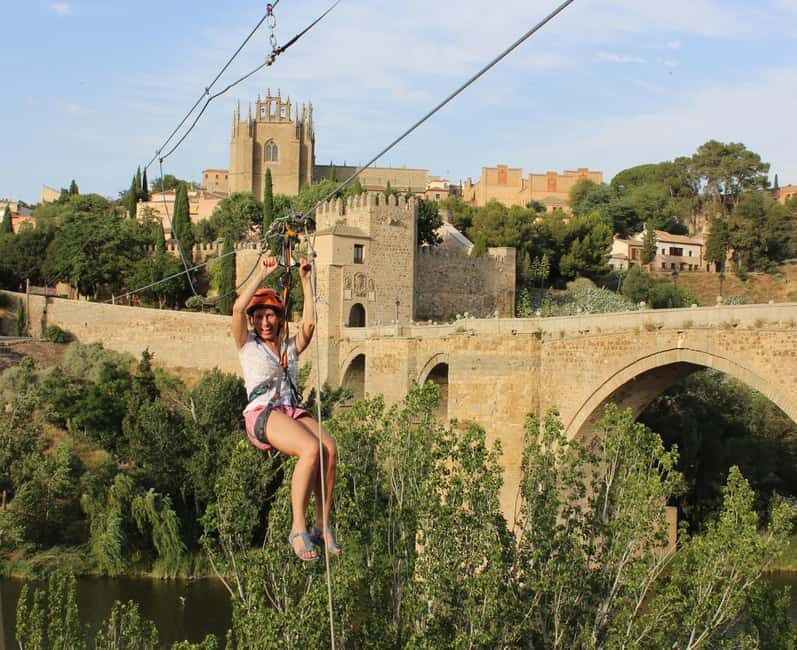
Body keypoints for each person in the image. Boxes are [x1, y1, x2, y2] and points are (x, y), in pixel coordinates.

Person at [232, 254, 339, 561]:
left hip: (289, 410)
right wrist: (262, 276)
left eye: (271, 316)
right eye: (261, 316)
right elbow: (238, 308)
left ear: (279, 318)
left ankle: (322, 524)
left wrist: (306, 281)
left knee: (329, 450)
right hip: (262, 414)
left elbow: (309, 326)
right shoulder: (246, 345)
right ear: (254, 320)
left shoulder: (289, 347)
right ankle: (297, 527)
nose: (266, 322)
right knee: (309, 449)